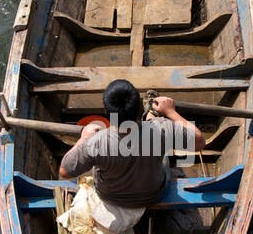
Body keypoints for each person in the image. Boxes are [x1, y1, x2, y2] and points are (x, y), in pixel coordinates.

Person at [58, 78, 205, 208]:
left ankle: (149, 117)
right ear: (138, 109)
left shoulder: (95, 142)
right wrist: (170, 111)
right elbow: (199, 142)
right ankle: (150, 115)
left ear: (106, 112)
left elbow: (65, 172)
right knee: (164, 155)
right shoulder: (162, 128)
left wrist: (83, 138)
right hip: (153, 195)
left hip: (110, 197)